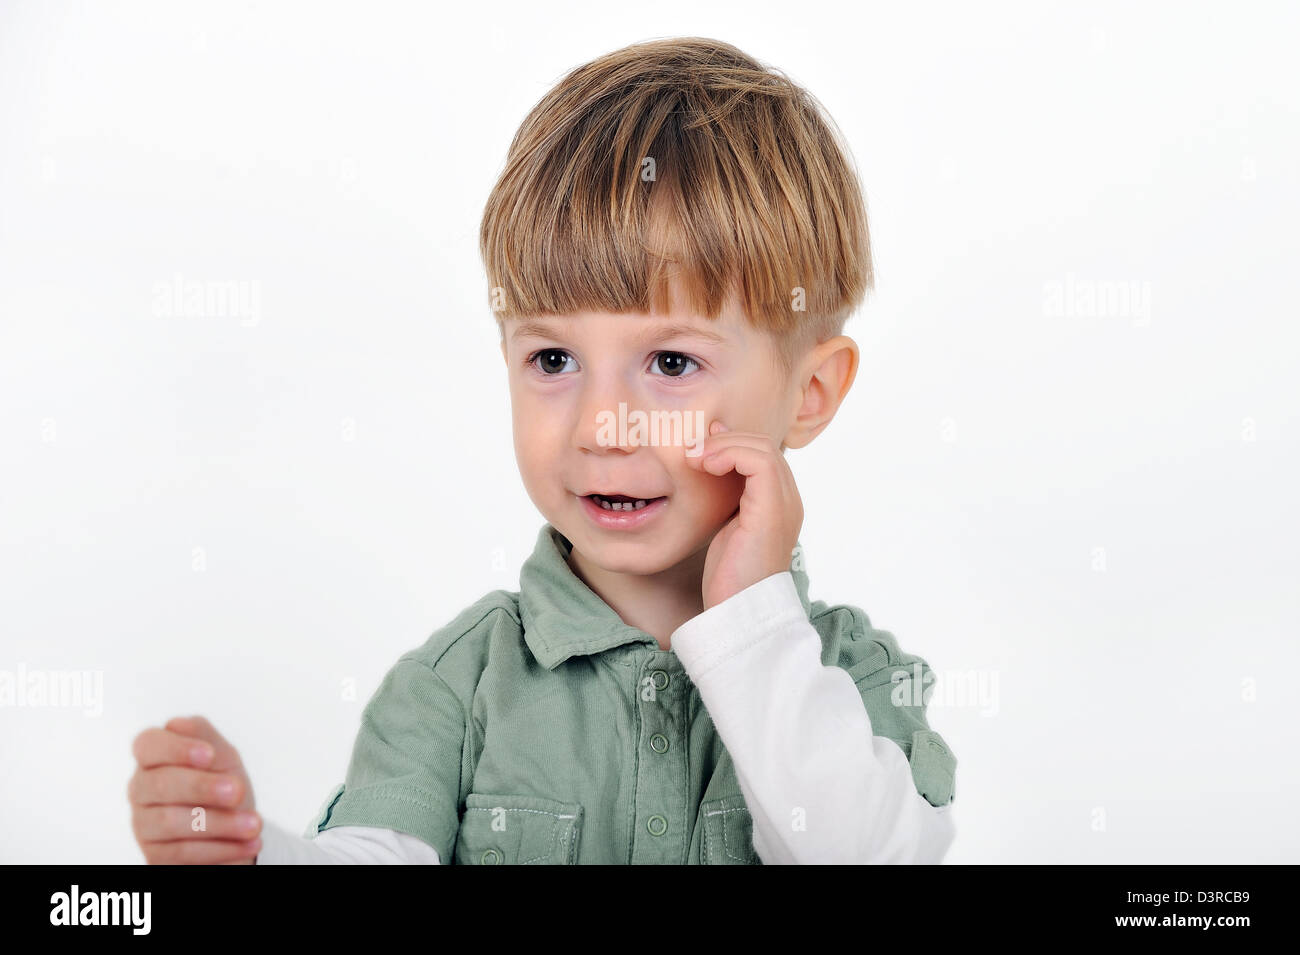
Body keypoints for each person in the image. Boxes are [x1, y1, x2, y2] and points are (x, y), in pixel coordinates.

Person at [128, 36, 957, 865]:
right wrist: (254, 855)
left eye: (672, 363)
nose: (602, 425)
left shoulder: (852, 676)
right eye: (553, 360)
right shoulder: (456, 684)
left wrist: (752, 628)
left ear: (809, 393)